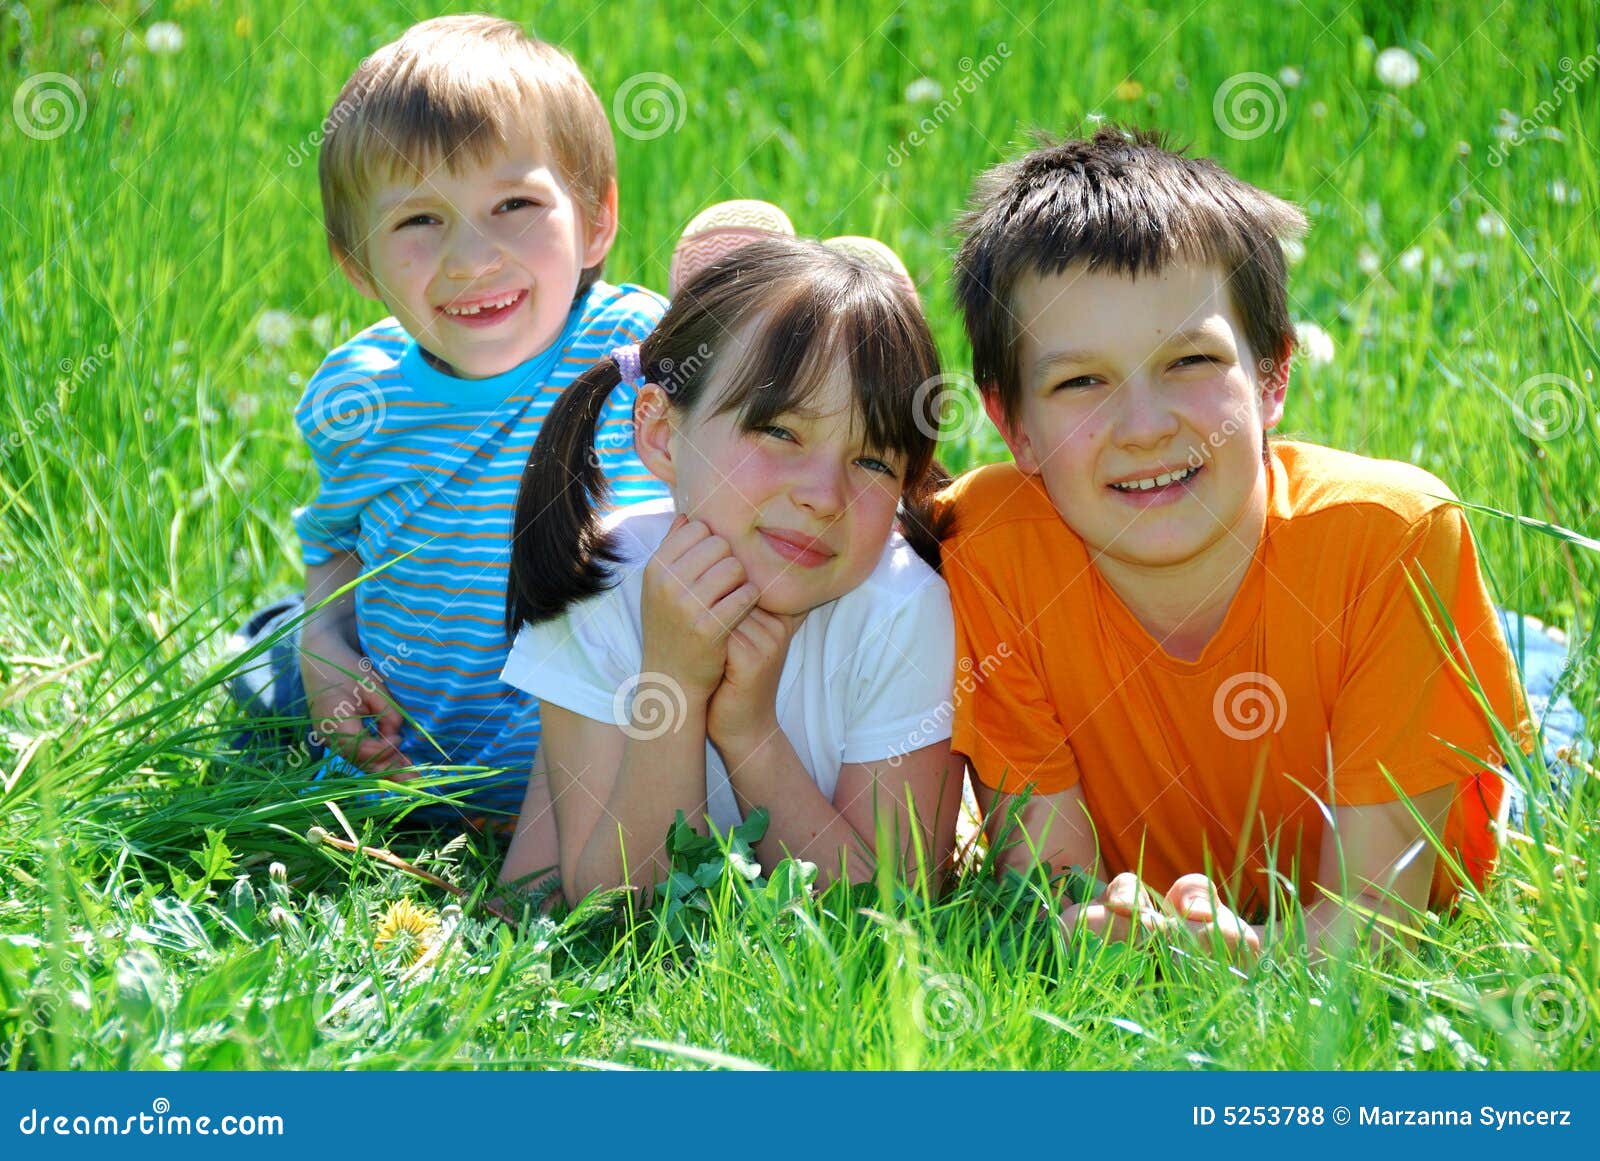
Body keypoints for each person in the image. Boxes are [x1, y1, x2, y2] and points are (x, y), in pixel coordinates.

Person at [937, 127, 1530, 958]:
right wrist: (1099, 936)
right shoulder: (988, 548)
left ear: (1273, 376)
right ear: (1012, 425)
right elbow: (1051, 899)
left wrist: (1237, 959)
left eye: (1189, 360)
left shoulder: (1390, 537)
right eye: (1080, 381)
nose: (1143, 427)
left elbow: (1378, 925)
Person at [234, 14, 672, 817]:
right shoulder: (361, 395)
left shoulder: (637, 351)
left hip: (583, 772)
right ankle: (272, 646)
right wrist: (325, 639)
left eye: (514, 203)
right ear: (355, 260)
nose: (471, 258)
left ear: (596, 220)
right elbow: (334, 541)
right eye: (419, 220)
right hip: (403, 759)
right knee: (274, 682)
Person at [498, 237, 961, 902]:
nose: (823, 496)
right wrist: (676, 687)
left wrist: (750, 730)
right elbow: (612, 908)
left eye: (872, 461)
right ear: (661, 433)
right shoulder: (600, 581)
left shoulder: (905, 612)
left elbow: (890, 910)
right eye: (780, 433)